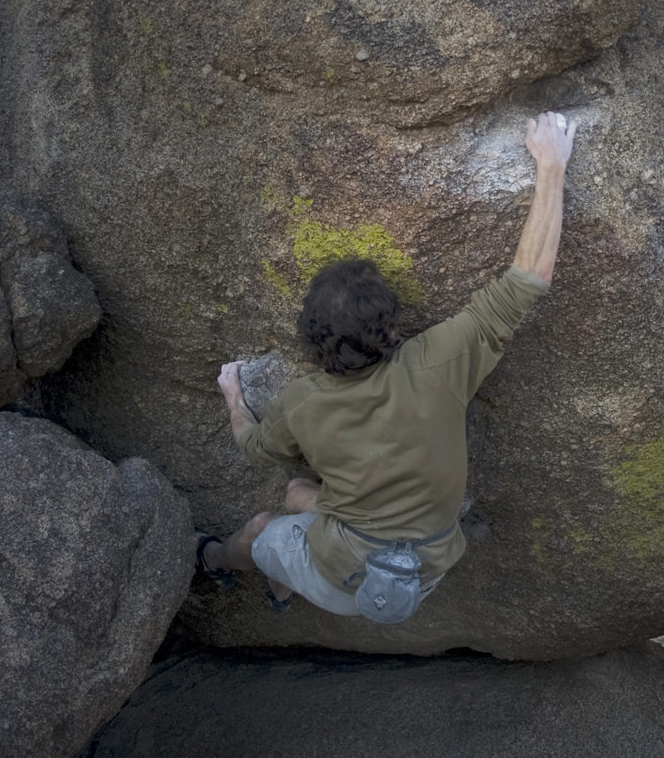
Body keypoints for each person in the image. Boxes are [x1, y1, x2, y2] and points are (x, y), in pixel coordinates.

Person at [199, 110, 579, 618]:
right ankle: (281, 579)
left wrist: (234, 397)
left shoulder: (303, 403)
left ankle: (216, 559)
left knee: (268, 522)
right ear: (391, 328)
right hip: (425, 571)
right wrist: (551, 167)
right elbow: (528, 279)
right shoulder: (440, 361)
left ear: (313, 342)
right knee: (298, 497)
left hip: (344, 578)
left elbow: (255, 449)